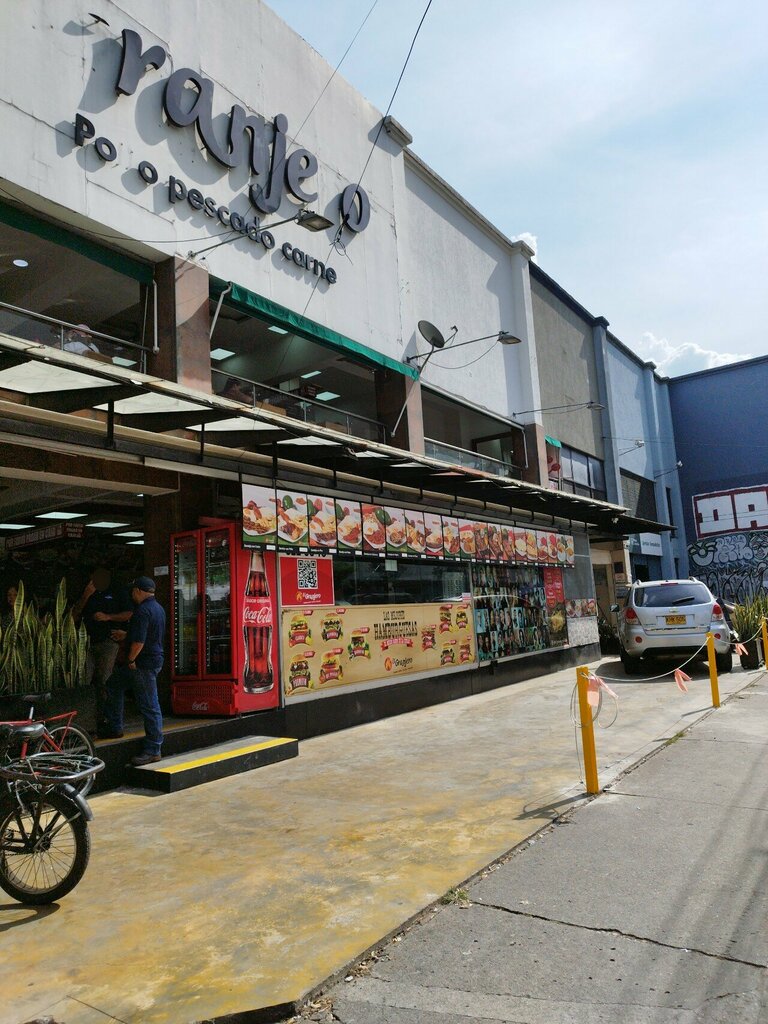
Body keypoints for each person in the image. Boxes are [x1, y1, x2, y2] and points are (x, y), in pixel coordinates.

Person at [100, 576, 166, 767]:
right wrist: (127, 635)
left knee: (149, 705)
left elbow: (139, 642)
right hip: (152, 660)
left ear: (138, 591)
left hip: (142, 664)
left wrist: (130, 659)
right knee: (114, 684)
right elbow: (147, 634)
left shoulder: (142, 611)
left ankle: (153, 749)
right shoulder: (158, 608)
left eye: (132, 591)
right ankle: (115, 727)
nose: (131, 595)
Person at [73, 568, 133, 717]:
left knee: (105, 679)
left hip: (108, 641)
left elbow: (128, 613)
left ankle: (105, 715)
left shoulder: (116, 590)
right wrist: (86, 595)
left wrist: (108, 617)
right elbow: (74, 615)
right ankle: (87, 715)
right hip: (86, 643)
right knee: (84, 679)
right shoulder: (86, 591)